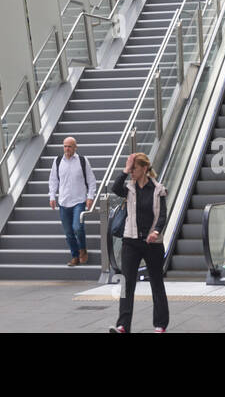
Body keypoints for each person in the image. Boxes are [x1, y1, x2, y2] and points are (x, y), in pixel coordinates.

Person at [108, 152, 169, 333]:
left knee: (156, 283)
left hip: (152, 244)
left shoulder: (159, 189)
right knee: (127, 284)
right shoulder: (129, 188)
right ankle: (123, 325)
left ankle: (160, 324)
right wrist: (125, 170)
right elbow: (115, 187)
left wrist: (156, 231)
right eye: (131, 169)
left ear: (144, 169)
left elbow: (162, 215)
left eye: (134, 168)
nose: (132, 172)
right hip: (131, 242)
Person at [49, 136, 98, 266]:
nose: (67, 149)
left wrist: (90, 197)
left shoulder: (82, 161)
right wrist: (52, 197)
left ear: (75, 147)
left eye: (69, 146)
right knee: (68, 232)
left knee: (77, 227)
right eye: (65, 146)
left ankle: (82, 249)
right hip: (64, 201)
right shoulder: (58, 161)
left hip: (79, 200)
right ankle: (75, 256)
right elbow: (53, 180)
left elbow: (91, 181)